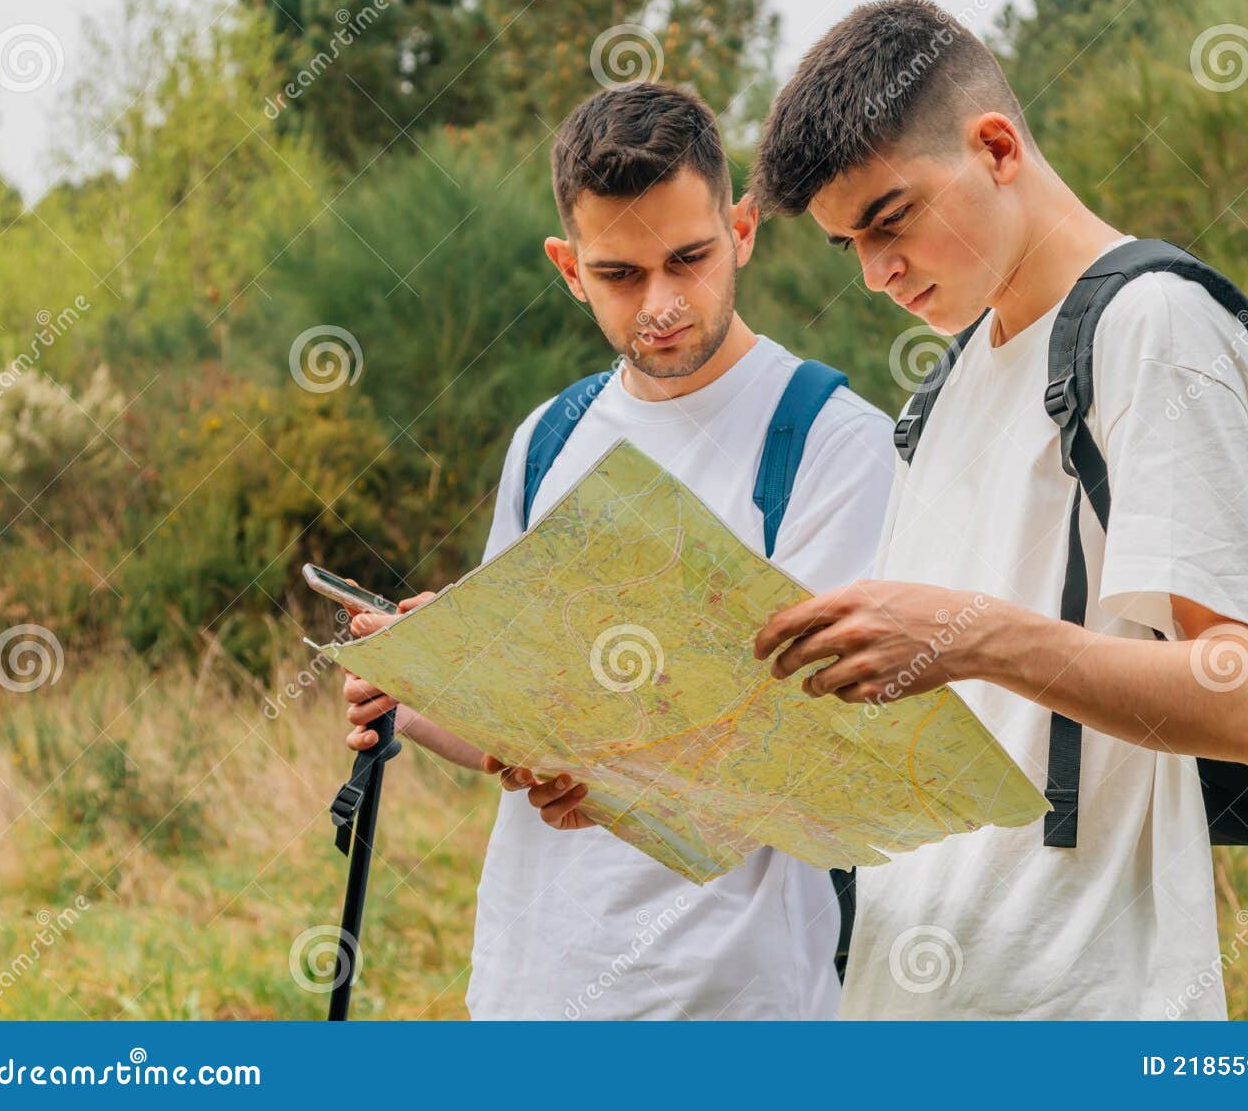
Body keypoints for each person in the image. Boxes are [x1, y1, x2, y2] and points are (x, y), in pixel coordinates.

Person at [747, 0, 1248, 1019]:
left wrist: (972, 635)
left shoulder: (1154, 325)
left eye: (890, 220)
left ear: (994, 146)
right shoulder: (942, 389)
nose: (875, 275)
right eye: (846, 247)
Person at [339, 82, 895, 1019]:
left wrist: (593, 757)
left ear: (745, 229)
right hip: (529, 991)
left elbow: (808, 757)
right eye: (621, 275)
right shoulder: (548, 437)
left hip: (730, 1006)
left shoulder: (834, 442)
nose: (663, 304)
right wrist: (427, 682)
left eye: (690, 258)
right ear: (567, 266)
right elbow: (512, 740)